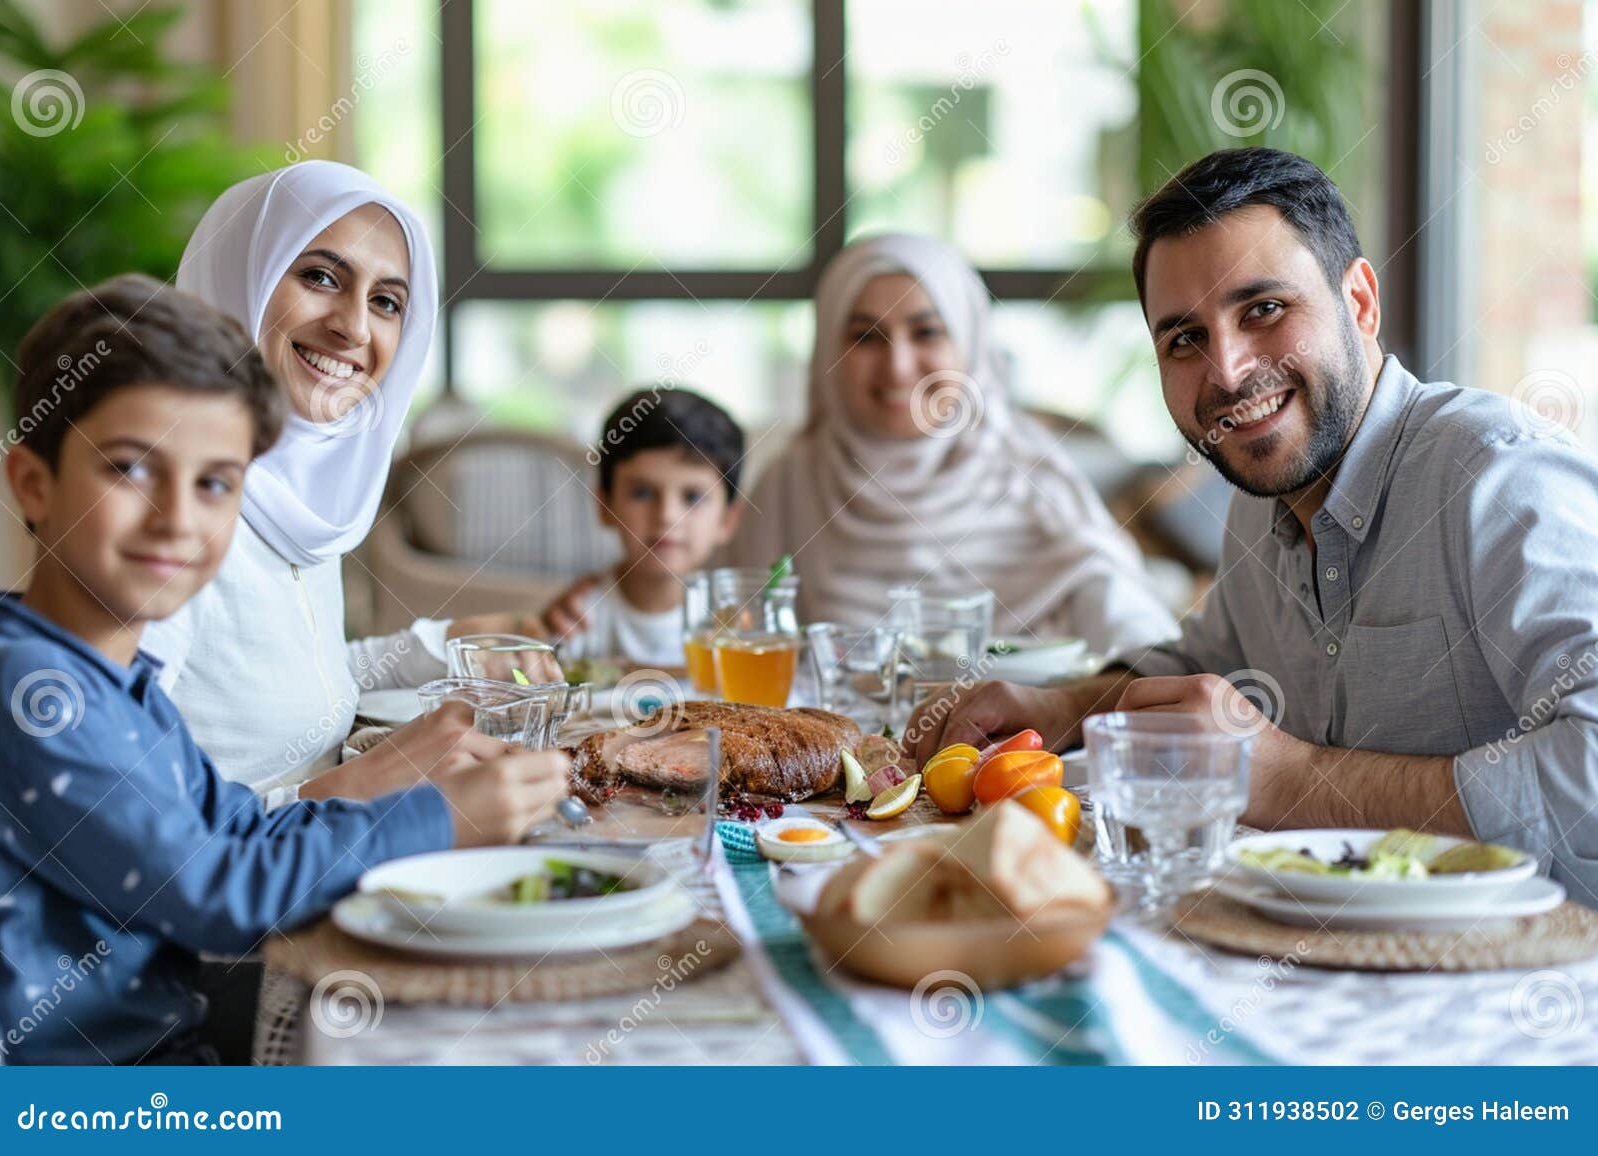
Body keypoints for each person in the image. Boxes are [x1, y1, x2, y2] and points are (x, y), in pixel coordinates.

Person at [907, 148, 1598, 905]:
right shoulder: (1261, 499)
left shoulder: (1498, 478)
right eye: (1184, 340)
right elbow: (1210, 660)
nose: (1228, 372)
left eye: (1263, 309)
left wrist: (1285, 777)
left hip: (1542, 985)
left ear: (1360, 302)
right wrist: (1065, 705)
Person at [0, 276, 566, 1064]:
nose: (177, 518)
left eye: (215, 484)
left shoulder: (118, 678)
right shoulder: (32, 691)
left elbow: (237, 829)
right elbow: (218, 893)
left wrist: (429, 795)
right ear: (33, 483)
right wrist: (439, 821)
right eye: (129, 469)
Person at [141, 162, 551, 808]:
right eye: (320, 277)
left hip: (316, 867)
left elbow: (299, 687)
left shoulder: (297, 493)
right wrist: (352, 789)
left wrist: (453, 646)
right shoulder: (166, 515)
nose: (355, 329)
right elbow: (131, 829)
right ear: (240, 277)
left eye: (387, 302)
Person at [725, 233, 1176, 655]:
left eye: (926, 333)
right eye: (865, 337)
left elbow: (1125, 614)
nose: (898, 367)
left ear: (969, 345)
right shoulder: (791, 483)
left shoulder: (1028, 468)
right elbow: (736, 632)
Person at [541, 387, 744, 667]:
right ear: (605, 507)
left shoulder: (736, 624)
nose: (667, 515)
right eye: (643, 493)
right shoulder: (577, 616)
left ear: (727, 520)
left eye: (693, 497)